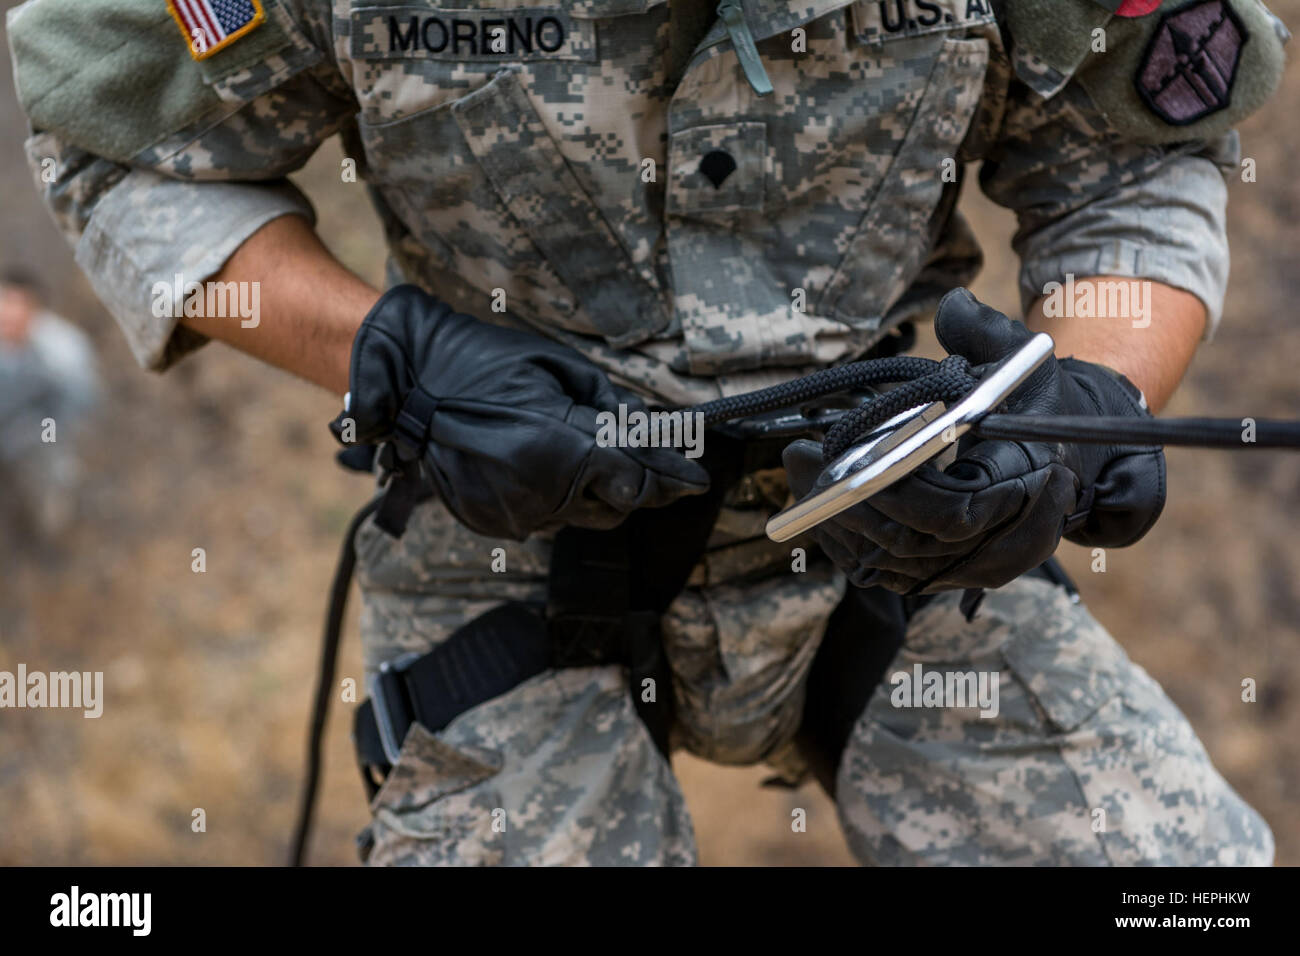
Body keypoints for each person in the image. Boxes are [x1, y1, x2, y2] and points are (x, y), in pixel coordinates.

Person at [9, 0, 1285, 865]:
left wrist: (1075, 409)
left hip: (907, 524)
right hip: (505, 541)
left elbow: (1134, 161)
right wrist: (392, 358)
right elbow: (114, 141)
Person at [0, 267, 99, 542]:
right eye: (5, 302)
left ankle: (49, 539)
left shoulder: (63, 351)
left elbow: (78, 406)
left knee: (51, 490)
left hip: (44, 437)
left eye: (18, 305)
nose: (8, 313)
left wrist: (33, 434)